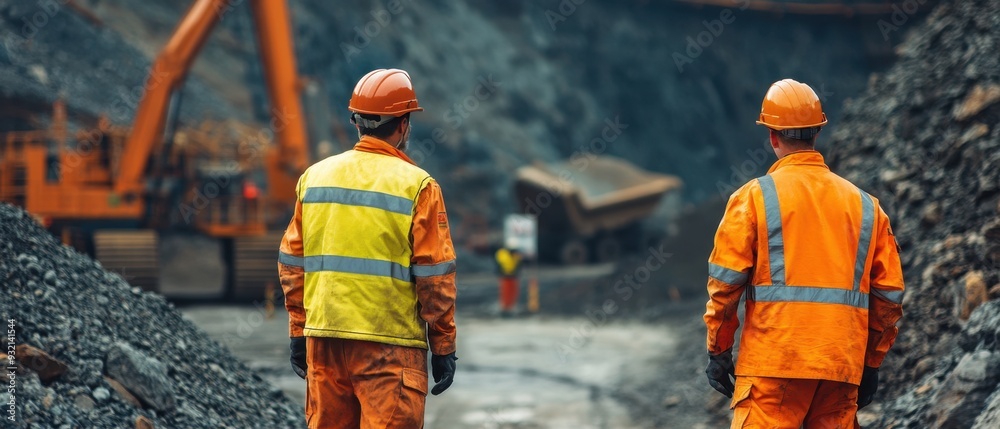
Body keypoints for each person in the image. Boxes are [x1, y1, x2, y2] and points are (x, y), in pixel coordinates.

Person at [703, 79, 904, 428]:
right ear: (817, 133)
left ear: (772, 136)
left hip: (774, 366)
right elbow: (888, 297)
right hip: (840, 367)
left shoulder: (753, 199)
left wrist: (719, 351)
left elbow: (724, 285)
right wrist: (871, 363)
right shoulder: (866, 207)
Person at [278, 68, 458, 429]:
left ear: (356, 122)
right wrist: (443, 345)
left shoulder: (313, 178)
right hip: (389, 350)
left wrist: (299, 331)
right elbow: (434, 278)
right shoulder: (419, 186)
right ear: (404, 124)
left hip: (324, 340)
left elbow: (292, 265)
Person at [495, 238, 524, 316]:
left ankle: (511, 306)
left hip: (513, 276)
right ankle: (505, 307)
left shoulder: (516, 255)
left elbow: (518, 266)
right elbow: (499, 265)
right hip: (505, 277)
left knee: (513, 292)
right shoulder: (502, 254)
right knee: (506, 292)